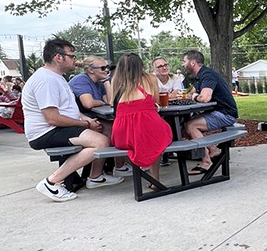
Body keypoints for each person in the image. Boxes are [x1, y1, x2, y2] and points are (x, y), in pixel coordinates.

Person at [22, 38, 124, 202]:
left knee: (106, 128)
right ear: (58, 57)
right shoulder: (46, 80)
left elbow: (69, 110)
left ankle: (95, 177)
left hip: (57, 127)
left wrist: (88, 121)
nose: (75, 60)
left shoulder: (57, 77)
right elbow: (52, 118)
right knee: (101, 142)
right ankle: (51, 182)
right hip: (45, 132)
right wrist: (85, 124)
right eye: (71, 56)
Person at [110, 53, 173, 187]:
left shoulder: (116, 81)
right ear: (140, 65)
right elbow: (156, 101)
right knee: (156, 136)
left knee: (144, 138)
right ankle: (155, 178)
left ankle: (137, 169)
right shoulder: (150, 78)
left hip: (122, 133)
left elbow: (113, 104)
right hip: (146, 124)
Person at [181, 50, 238, 173]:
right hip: (217, 111)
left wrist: (194, 96)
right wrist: (190, 95)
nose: (182, 64)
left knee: (191, 126)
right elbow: (192, 93)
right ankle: (213, 150)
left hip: (226, 114)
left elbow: (204, 98)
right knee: (184, 127)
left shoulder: (207, 75)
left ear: (193, 62)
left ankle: (206, 162)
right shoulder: (199, 76)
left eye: (184, 61)